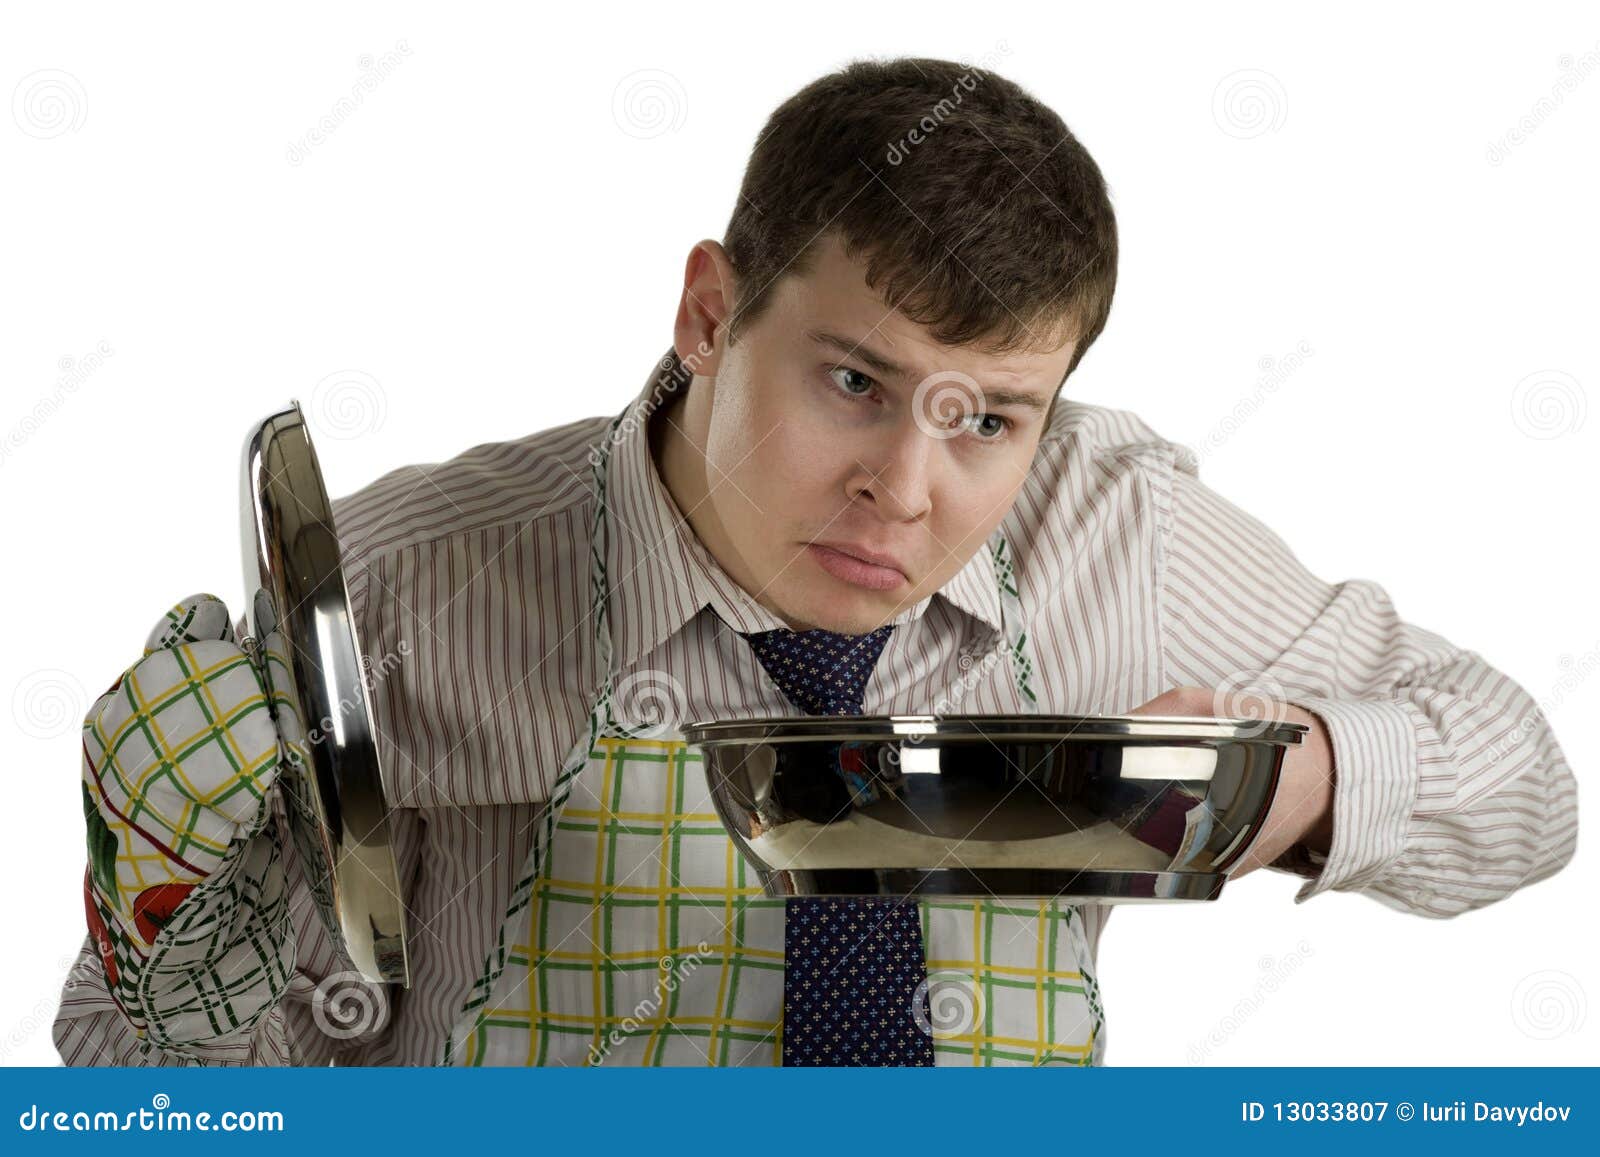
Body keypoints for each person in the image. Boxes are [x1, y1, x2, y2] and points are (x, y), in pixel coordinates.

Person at [57, 57, 1578, 1068]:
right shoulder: (402, 585)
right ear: (711, 313)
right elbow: (139, 1076)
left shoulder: (1119, 531)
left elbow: (1528, 786)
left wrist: (1291, 784)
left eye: (988, 417)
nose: (905, 490)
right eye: (853, 381)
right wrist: (163, 886)